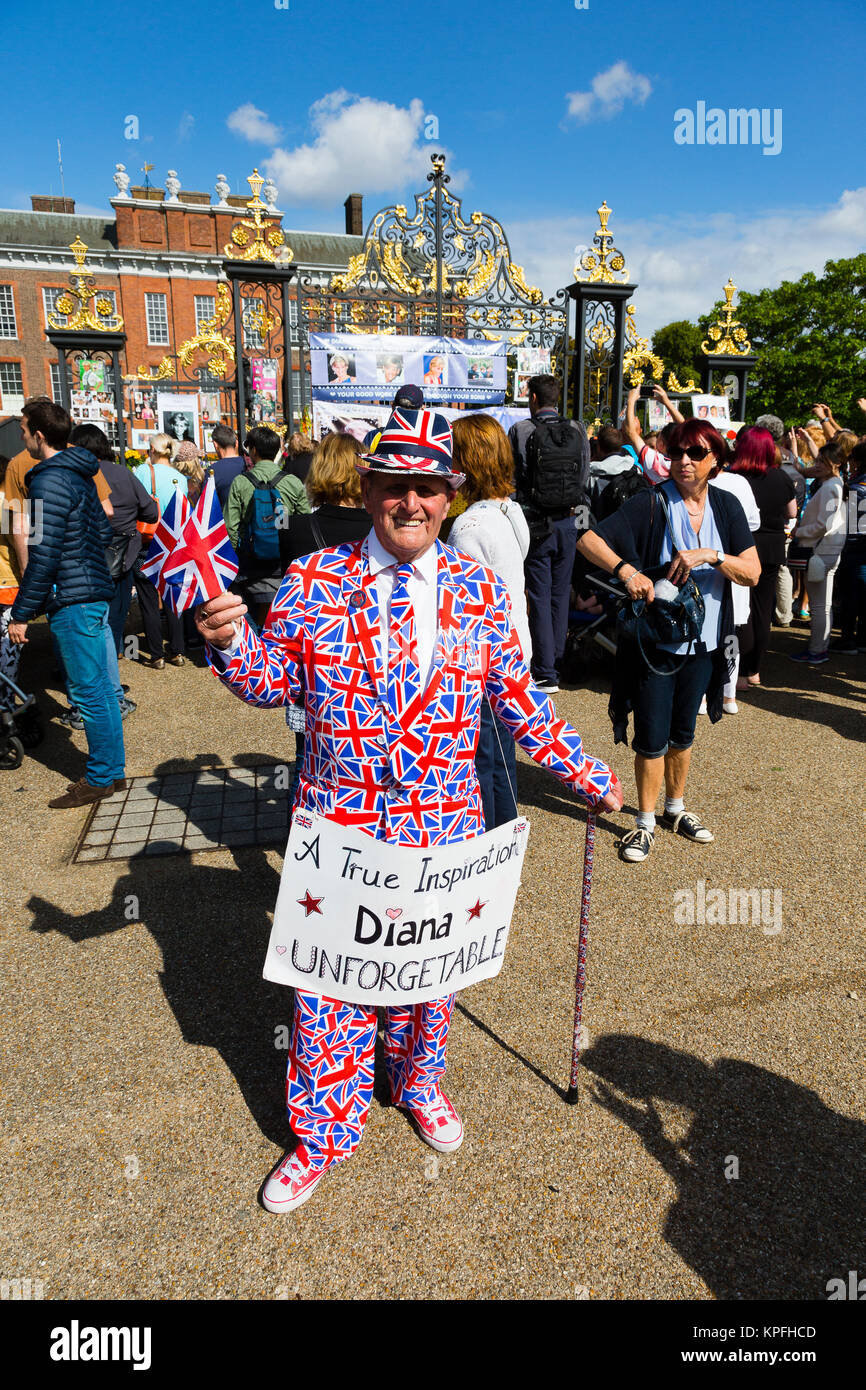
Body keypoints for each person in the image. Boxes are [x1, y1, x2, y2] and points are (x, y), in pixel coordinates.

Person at [195, 405, 623, 1213]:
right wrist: (228, 643)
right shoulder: (314, 581)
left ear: (449, 495)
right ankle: (321, 1134)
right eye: (395, 485)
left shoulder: (477, 589)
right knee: (330, 992)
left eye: (428, 487)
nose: (411, 503)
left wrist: (582, 769)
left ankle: (418, 1082)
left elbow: (518, 701)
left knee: (431, 983)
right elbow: (270, 684)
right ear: (367, 488)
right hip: (342, 832)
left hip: (444, 826)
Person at [576, 418, 759, 864]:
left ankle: (675, 810)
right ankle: (644, 822)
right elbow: (587, 539)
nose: (683, 462)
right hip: (657, 643)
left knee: (684, 732)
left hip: (707, 641)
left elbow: (751, 572)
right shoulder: (652, 502)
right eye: (676, 453)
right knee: (652, 736)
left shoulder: (727, 506)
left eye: (695, 454)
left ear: (715, 460)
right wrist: (627, 572)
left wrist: (709, 555)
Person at [7, 399, 125, 808]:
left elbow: (44, 552)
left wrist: (22, 613)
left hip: (74, 598)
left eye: (23, 430)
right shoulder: (80, 472)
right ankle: (111, 769)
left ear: (39, 436)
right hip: (91, 591)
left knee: (90, 692)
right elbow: (101, 528)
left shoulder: (47, 480)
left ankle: (99, 777)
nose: (21, 437)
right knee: (102, 691)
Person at [450, 413, 532, 830]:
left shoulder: (470, 526)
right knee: (501, 758)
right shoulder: (508, 510)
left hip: (485, 661)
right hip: (514, 644)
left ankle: (494, 849)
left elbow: (464, 608)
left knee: (487, 763)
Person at [68, 423, 156, 720]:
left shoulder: (78, 475)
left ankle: (93, 683)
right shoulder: (123, 474)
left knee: (89, 622)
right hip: (124, 555)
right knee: (114, 620)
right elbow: (151, 511)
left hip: (88, 556)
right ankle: (114, 674)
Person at [508, 374, 590, 692]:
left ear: (532, 399)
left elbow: (515, 479)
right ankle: (556, 659)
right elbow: (583, 476)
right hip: (569, 522)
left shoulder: (522, 430)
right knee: (560, 592)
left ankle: (544, 671)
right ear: (557, 400)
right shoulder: (577, 429)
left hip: (536, 523)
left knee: (539, 595)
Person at [728, 428, 797, 689]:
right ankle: (753, 670)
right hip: (771, 548)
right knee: (762, 611)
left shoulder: (733, 477)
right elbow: (792, 512)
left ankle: (736, 672)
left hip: (742, 547)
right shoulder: (781, 477)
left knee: (739, 610)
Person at [224, 426, 311, 624]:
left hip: (251, 567)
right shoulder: (293, 482)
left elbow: (231, 528)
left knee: (252, 621)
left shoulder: (240, 482)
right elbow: (304, 522)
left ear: (253, 450)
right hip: (284, 567)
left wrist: (244, 552)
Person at [703, 447, 762, 712]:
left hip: (713, 562)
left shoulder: (695, 483)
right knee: (732, 632)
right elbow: (754, 522)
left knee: (707, 631)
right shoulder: (739, 482)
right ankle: (729, 696)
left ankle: (704, 695)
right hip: (733, 558)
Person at [132, 434, 188, 669]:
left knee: (147, 599)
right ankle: (177, 650)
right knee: (173, 599)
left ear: (152, 450)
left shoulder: (142, 472)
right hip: (173, 542)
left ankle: (156, 655)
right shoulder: (180, 478)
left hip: (147, 541)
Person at [789, 440, 846, 664]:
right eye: (819, 460)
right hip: (826, 549)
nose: (819, 464)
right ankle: (818, 647)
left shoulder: (832, 486)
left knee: (819, 605)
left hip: (821, 549)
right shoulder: (835, 484)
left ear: (837, 463)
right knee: (823, 604)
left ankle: (817, 649)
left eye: (824, 461)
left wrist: (800, 531)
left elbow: (825, 524)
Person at [830, 440, 866, 654]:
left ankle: (847, 639)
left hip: (854, 546)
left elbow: (845, 519)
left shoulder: (855, 488)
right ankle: (862, 638)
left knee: (852, 594)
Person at [209, 424, 245, 511]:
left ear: (215, 444)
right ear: (236, 443)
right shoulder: (249, 463)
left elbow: (207, 504)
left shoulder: (212, 471)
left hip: (225, 521)